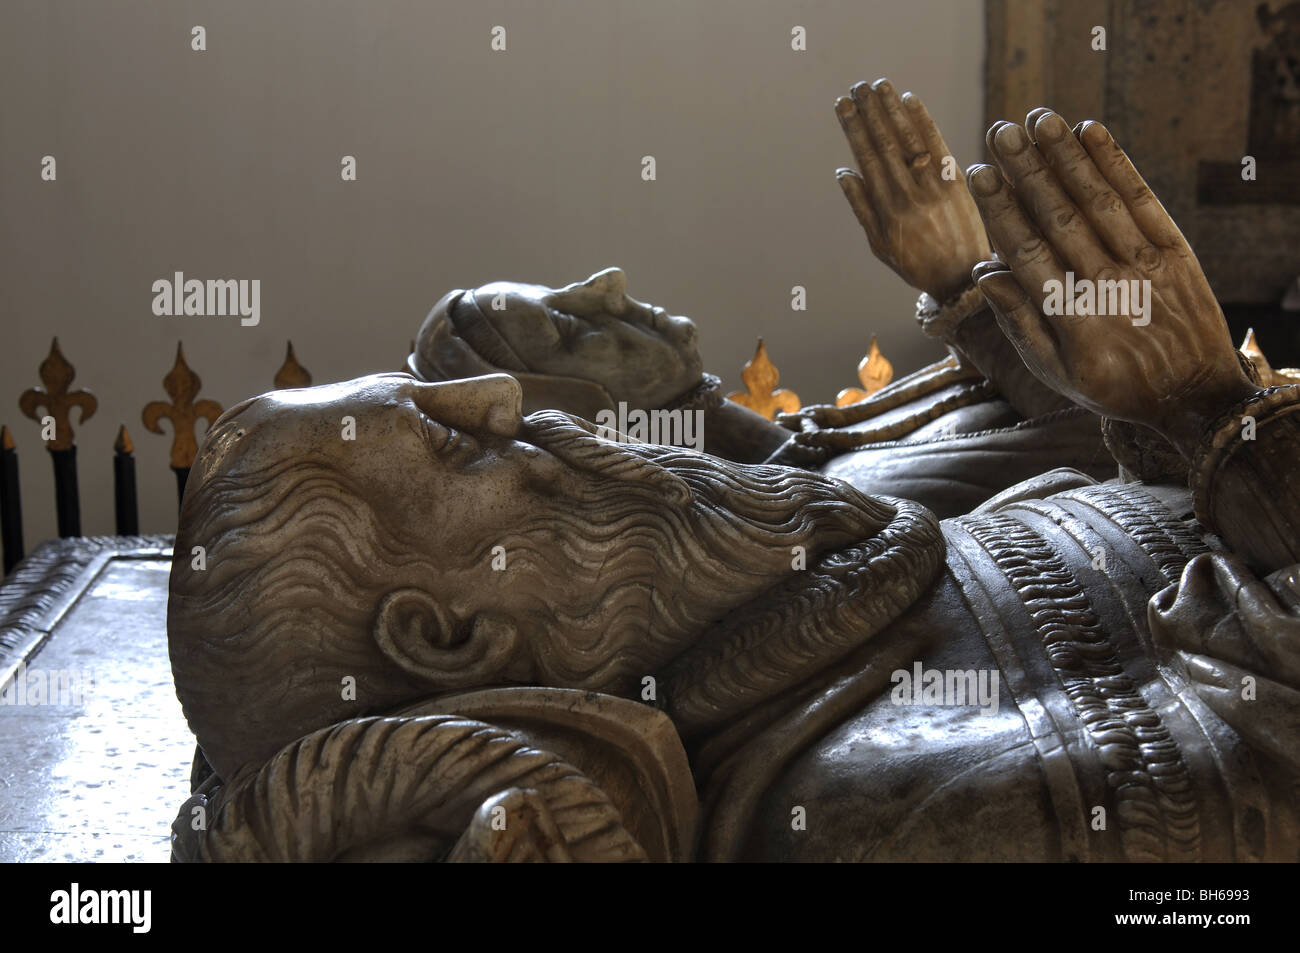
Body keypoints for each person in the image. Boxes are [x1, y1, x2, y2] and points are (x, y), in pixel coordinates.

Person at [168, 112, 1300, 862]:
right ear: (448, 639)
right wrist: (1211, 407)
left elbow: (1075, 460)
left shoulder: (826, 605)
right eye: (457, 443)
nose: (522, 403)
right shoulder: (873, 807)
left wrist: (1018, 316)